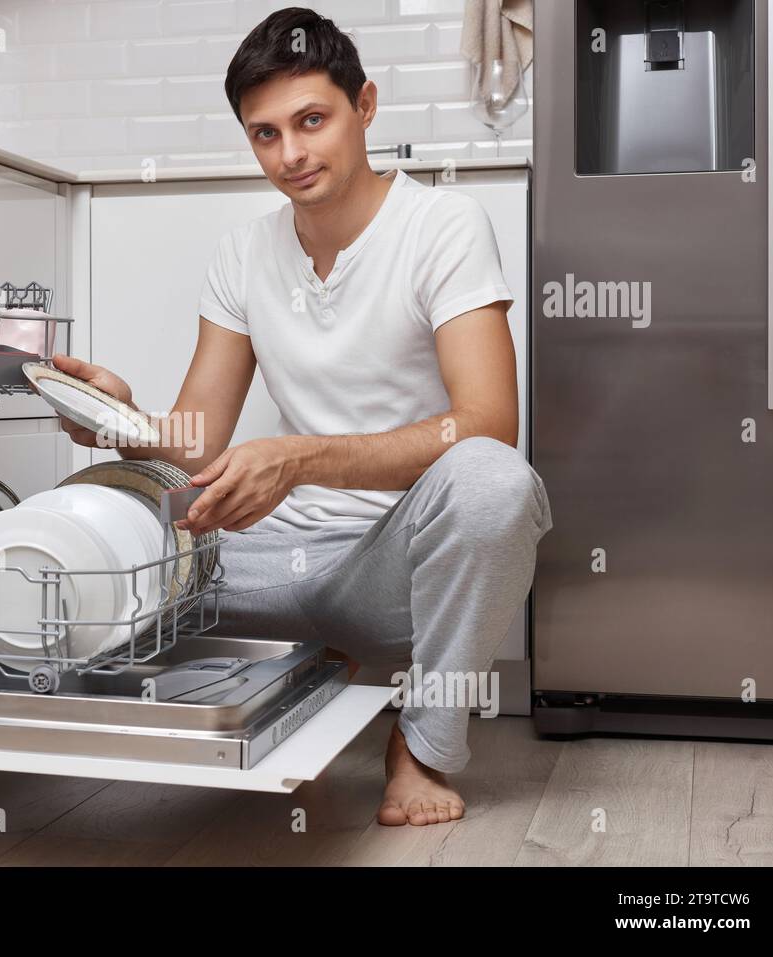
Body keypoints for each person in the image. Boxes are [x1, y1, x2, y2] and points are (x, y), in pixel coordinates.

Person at [49, 7, 552, 827]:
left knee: (495, 482)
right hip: (262, 563)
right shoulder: (243, 253)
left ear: (366, 106)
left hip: (392, 572)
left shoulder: (443, 225)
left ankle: (420, 746)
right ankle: (62, 697)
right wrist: (115, 418)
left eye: (312, 120)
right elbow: (195, 445)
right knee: (114, 502)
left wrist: (300, 458)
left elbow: (489, 422)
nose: (291, 154)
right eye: (266, 134)